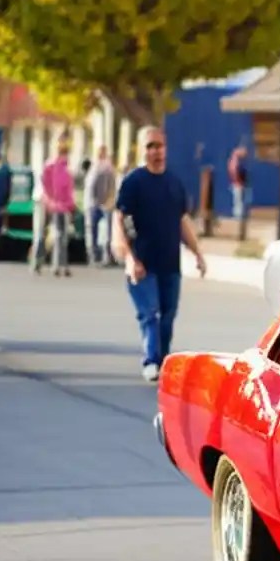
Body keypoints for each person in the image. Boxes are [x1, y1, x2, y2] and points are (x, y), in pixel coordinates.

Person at [113, 126, 207, 382]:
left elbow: (181, 222)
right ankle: (151, 360)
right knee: (150, 314)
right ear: (142, 151)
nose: (155, 151)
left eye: (159, 146)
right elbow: (119, 220)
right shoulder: (133, 183)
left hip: (170, 264)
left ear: (166, 149)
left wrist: (197, 253)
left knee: (167, 316)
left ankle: (163, 360)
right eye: (150, 146)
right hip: (142, 264)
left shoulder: (174, 184)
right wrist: (130, 259)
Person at [38, 134, 76, 277]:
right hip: (54, 205)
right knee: (52, 235)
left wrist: (69, 205)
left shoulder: (66, 169)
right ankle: (46, 263)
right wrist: (52, 201)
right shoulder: (51, 166)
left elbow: (69, 189)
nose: (64, 156)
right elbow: (48, 185)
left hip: (61, 206)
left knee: (61, 236)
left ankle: (61, 265)